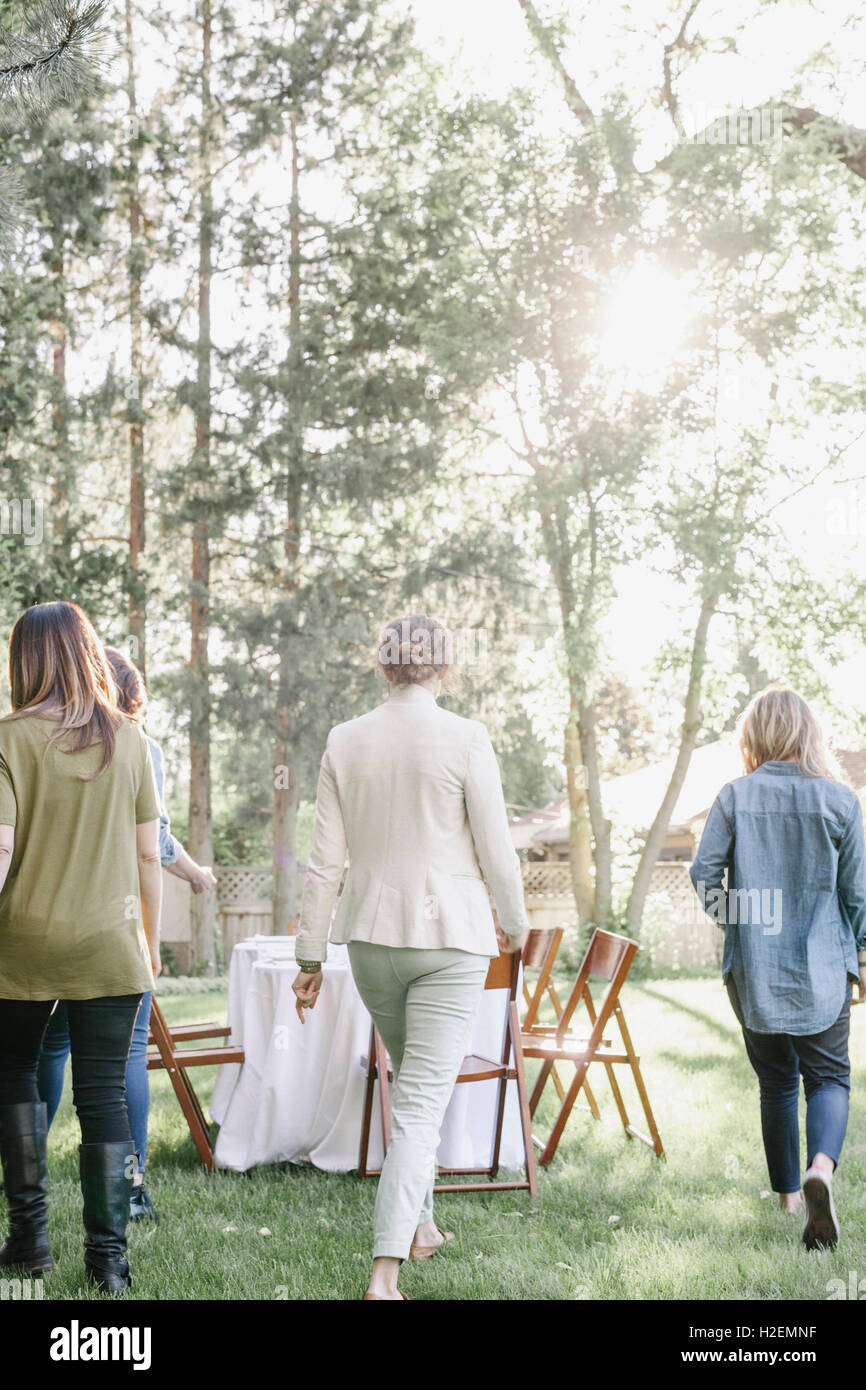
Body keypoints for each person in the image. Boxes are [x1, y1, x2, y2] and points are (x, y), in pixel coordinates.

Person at [292, 615, 529, 1300]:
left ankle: (422, 1227)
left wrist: (310, 957)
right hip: (450, 941)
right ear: (444, 670)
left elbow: (323, 864)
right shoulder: (466, 738)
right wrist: (515, 925)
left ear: (384, 668)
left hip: (371, 943)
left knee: (413, 1091)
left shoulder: (345, 740)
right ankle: (385, 1275)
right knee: (422, 1105)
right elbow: (496, 848)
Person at [0, 601, 162, 1293]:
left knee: (12, 1077)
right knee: (105, 1099)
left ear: (23, 661)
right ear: (89, 652)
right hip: (112, 943)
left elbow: (2, 846)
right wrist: (147, 946)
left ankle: (29, 1242)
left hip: (22, 942)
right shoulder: (130, 738)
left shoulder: (6, 738)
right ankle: (109, 1263)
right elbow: (150, 855)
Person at [36, 646, 217, 1225]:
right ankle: (130, 1190)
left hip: (43, 924)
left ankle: (25, 1171)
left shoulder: (35, 740)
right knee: (126, 1055)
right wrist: (154, 935)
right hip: (114, 929)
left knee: (48, 1045)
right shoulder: (139, 746)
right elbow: (153, 843)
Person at [690, 685, 866, 1251]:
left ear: (754, 736)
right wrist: (862, 956)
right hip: (824, 967)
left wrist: (740, 921)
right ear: (808, 733)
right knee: (829, 1077)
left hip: (754, 971)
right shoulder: (841, 802)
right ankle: (821, 1168)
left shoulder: (734, 797)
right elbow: (858, 893)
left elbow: (703, 874)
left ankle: (790, 1196)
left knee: (775, 1081)